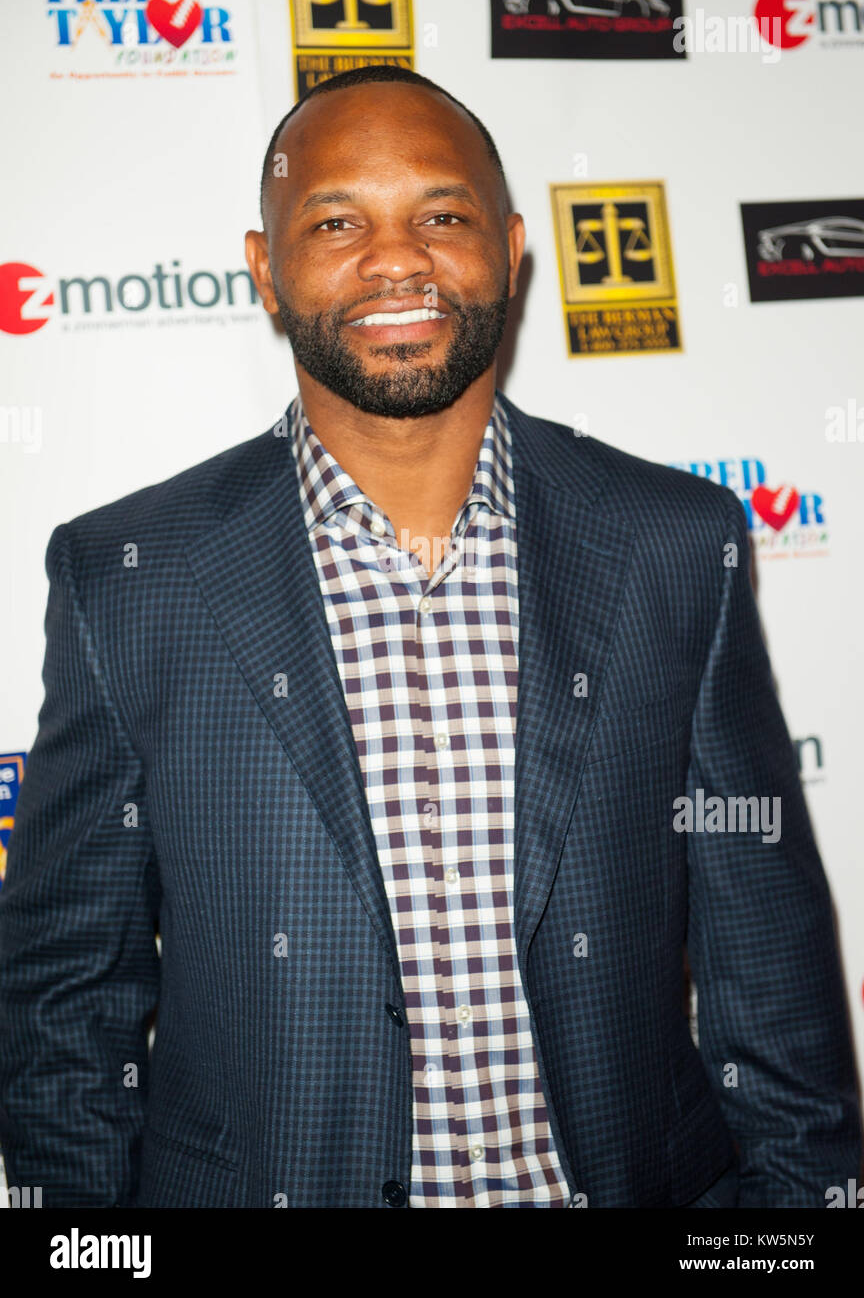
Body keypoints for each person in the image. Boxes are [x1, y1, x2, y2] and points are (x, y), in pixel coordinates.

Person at [0, 65, 859, 1209]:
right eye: (337, 220)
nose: (396, 258)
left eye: (441, 216)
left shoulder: (671, 541)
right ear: (266, 268)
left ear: (509, 249)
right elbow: (66, 986)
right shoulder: (126, 575)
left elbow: (770, 942)